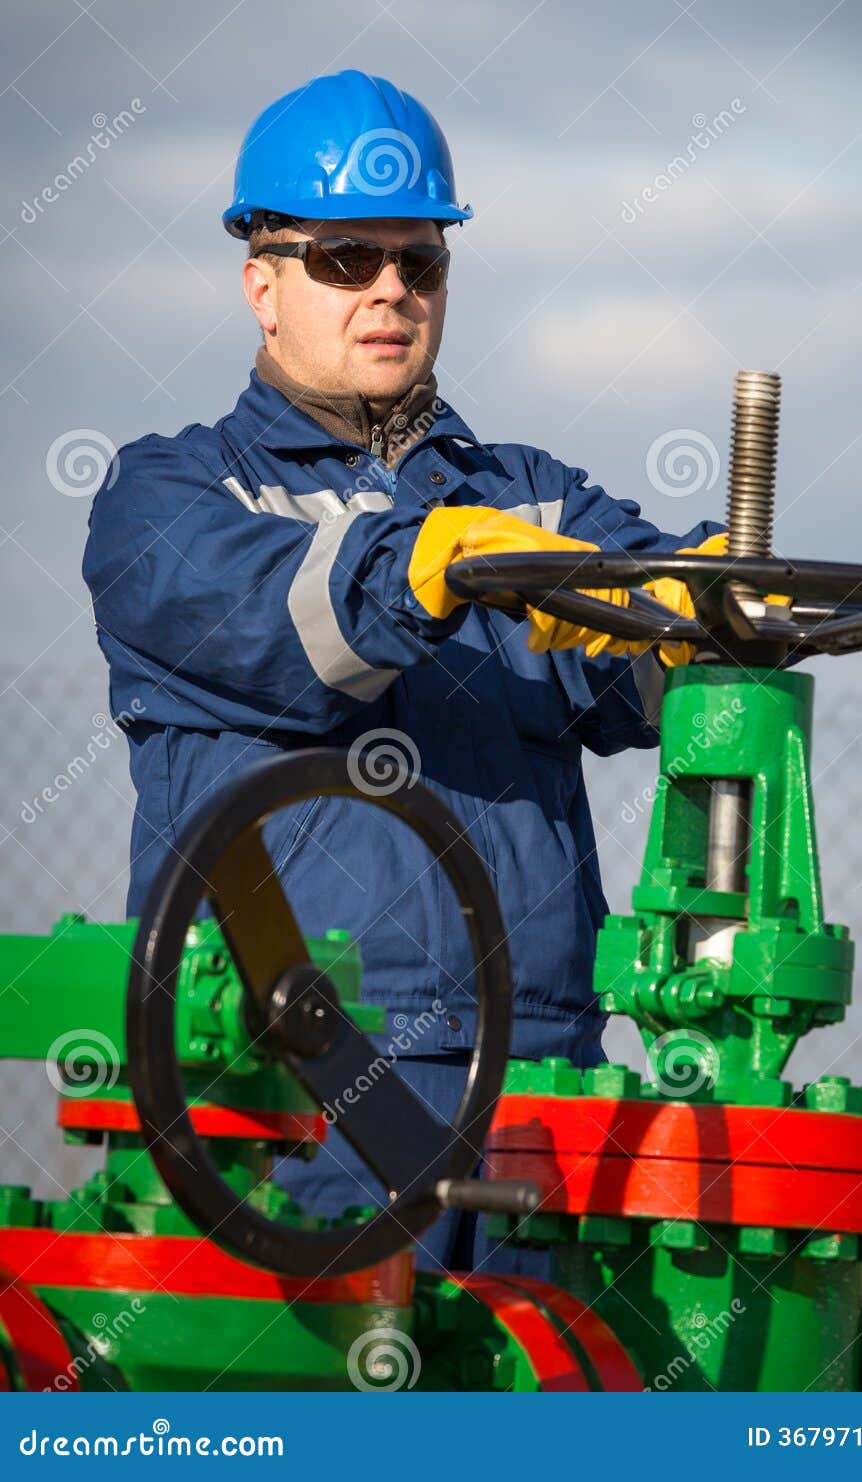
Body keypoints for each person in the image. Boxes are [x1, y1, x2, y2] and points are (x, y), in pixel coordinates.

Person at [82, 69, 726, 1275]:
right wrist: (421, 567)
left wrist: (715, 608)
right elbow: (277, 619)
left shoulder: (530, 500)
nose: (388, 288)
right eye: (342, 259)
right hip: (292, 1084)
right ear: (260, 284)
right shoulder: (167, 497)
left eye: (417, 262)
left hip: (543, 1086)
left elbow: (654, 660)